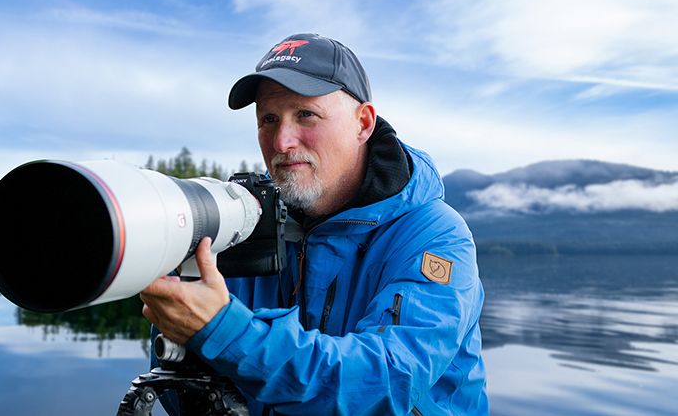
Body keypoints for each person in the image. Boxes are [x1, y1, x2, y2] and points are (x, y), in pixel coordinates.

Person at [140, 33, 488, 415]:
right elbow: (182, 394)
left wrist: (226, 330)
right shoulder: (243, 227)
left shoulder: (434, 235)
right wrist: (181, 320)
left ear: (363, 123)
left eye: (306, 114)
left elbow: (386, 380)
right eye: (268, 120)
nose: (282, 141)